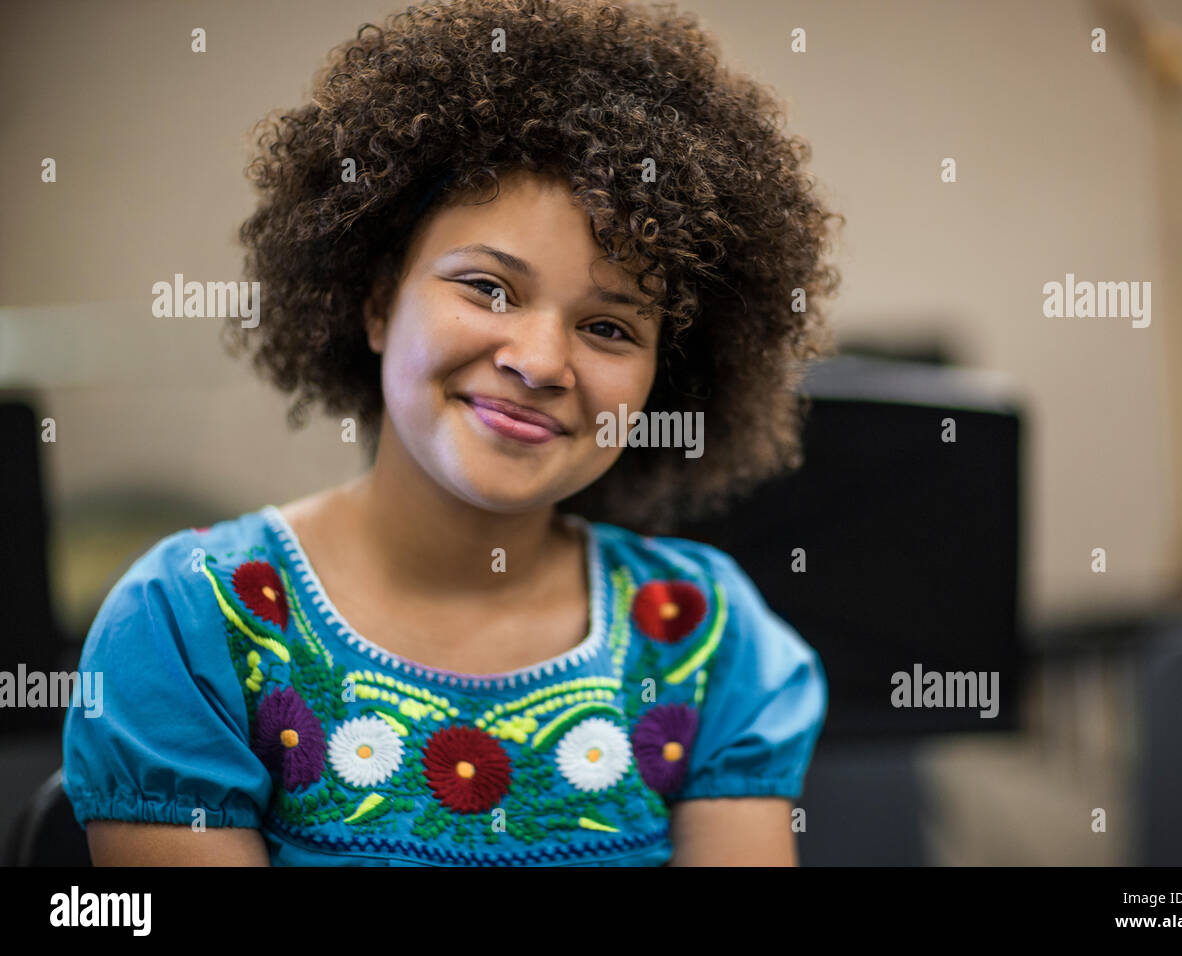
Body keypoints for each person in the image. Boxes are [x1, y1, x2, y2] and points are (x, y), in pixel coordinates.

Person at [62, 0, 843, 866]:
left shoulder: (706, 638)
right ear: (375, 301)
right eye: (488, 288)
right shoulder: (189, 623)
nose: (542, 361)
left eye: (610, 328)